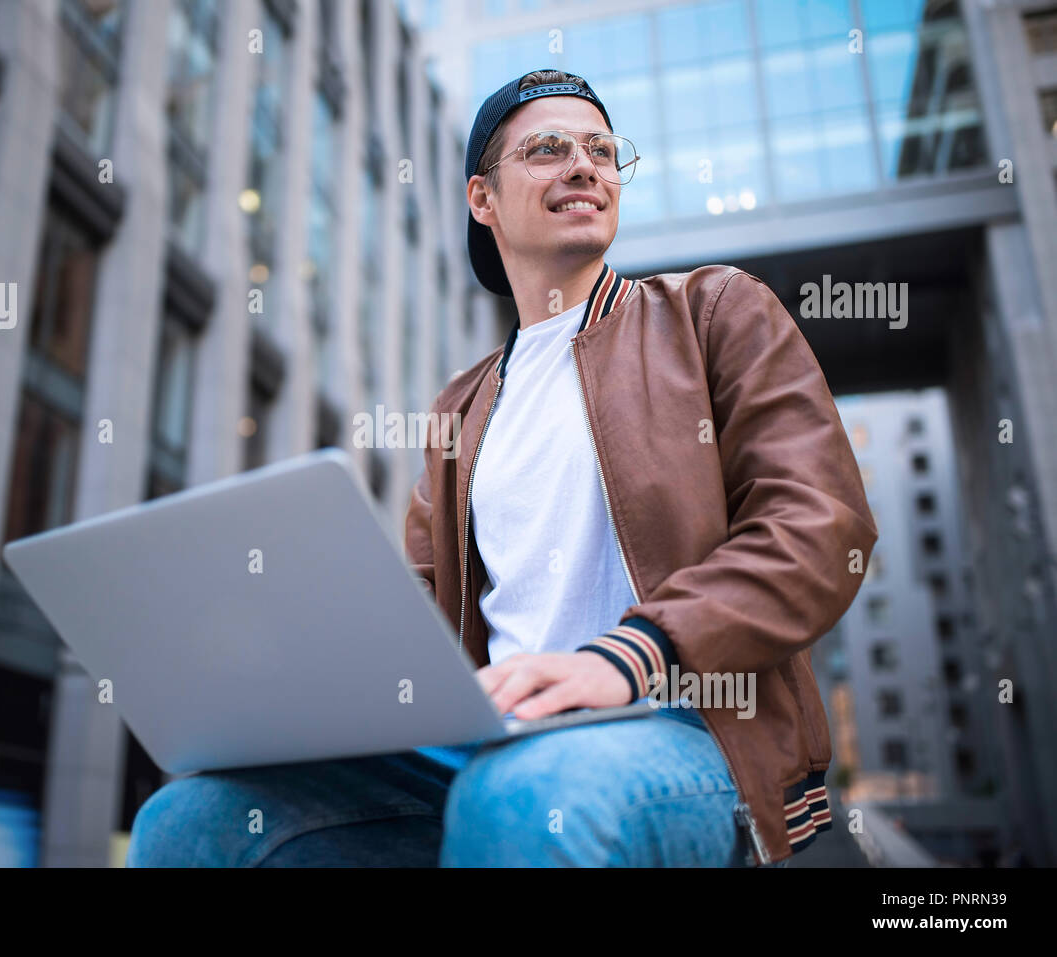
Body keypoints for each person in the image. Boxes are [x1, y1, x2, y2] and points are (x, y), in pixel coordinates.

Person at [127, 68, 877, 868]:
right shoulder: (461, 408)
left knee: (525, 794)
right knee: (189, 818)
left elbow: (818, 528)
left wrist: (629, 655)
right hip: (492, 740)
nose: (585, 166)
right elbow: (415, 608)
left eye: (602, 150)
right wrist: (291, 686)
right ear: (481, 200)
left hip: (690, 726)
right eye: (548, 149)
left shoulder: (715, 312)